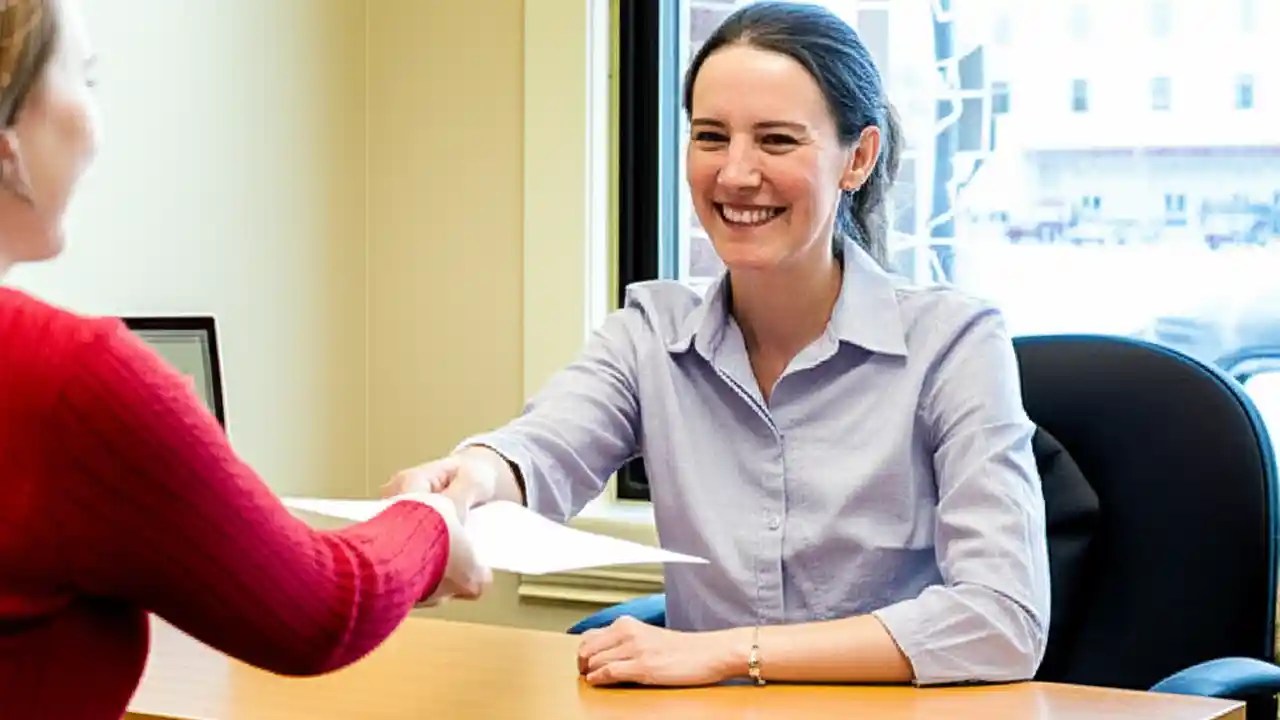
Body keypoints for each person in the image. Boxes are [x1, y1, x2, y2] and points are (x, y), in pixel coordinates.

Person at [387, 0, 1049, 689]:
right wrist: (468, 478)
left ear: (858, 158)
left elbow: (1003, 621)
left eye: (777, 140)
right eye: (710, 136)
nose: (734, 173)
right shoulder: (650, 331)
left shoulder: (957, 343)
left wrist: (732, 651)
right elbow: (540, 452)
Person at [0, 1, 491, 717]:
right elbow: (324, 605)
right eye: (86, 79)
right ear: (9, 132)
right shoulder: (69, 380)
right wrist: (434, 523)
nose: (98, 129)